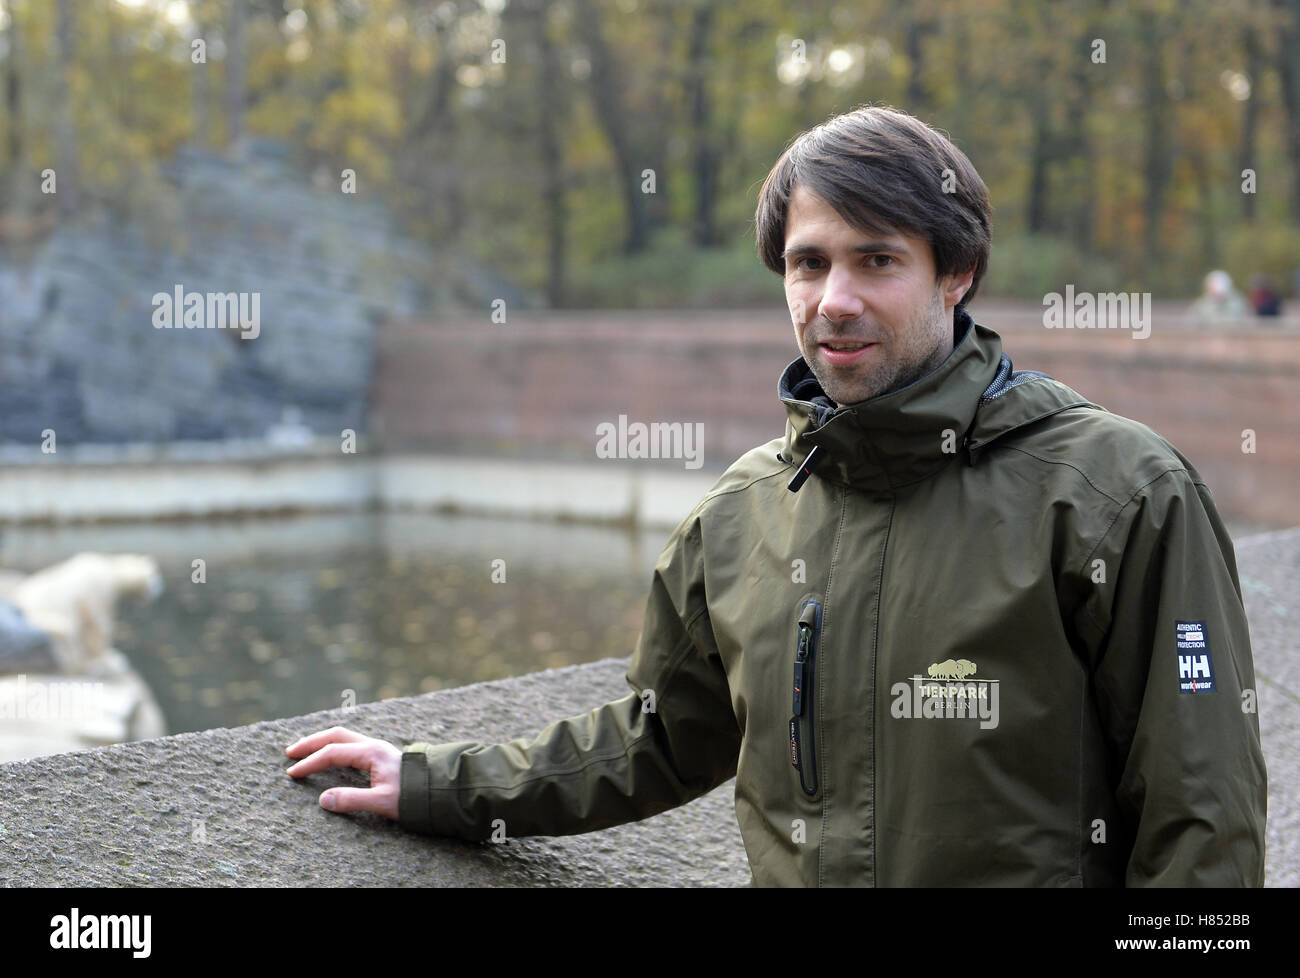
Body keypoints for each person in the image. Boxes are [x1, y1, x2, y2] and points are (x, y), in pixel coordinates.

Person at [285, 105, 1267, 887]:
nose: (832, 299)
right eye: (808, 262)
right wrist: (430, 782)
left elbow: (1201, 814)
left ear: (956, 273)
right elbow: (657, 739)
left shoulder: (1114, 492)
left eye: (876, 259)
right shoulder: (745, 511)